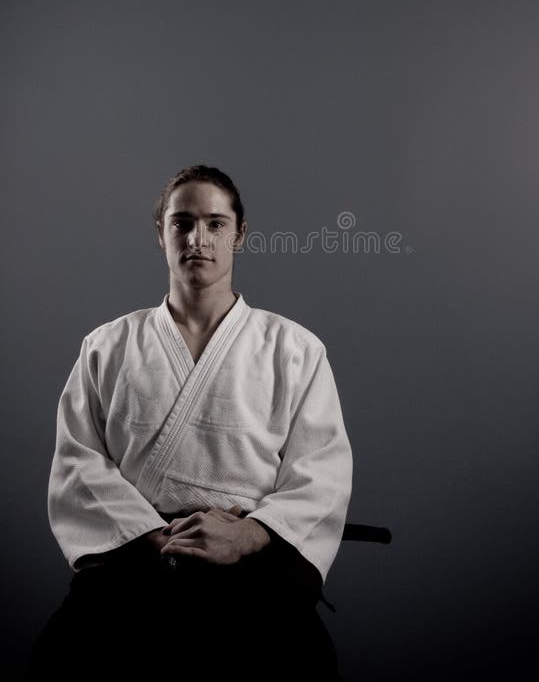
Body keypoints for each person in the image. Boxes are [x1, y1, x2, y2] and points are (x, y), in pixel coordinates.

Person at [27, 164, 353, 681]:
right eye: (182, 223)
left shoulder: (295, 349)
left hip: (253, 576)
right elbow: (77, 464)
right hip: (132, 569)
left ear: (239, 235)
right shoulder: (106, 346)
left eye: (215, 224)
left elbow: (322, 474)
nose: (197, 239)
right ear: (161, 233)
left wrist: (249, 535)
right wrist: (154, 538)